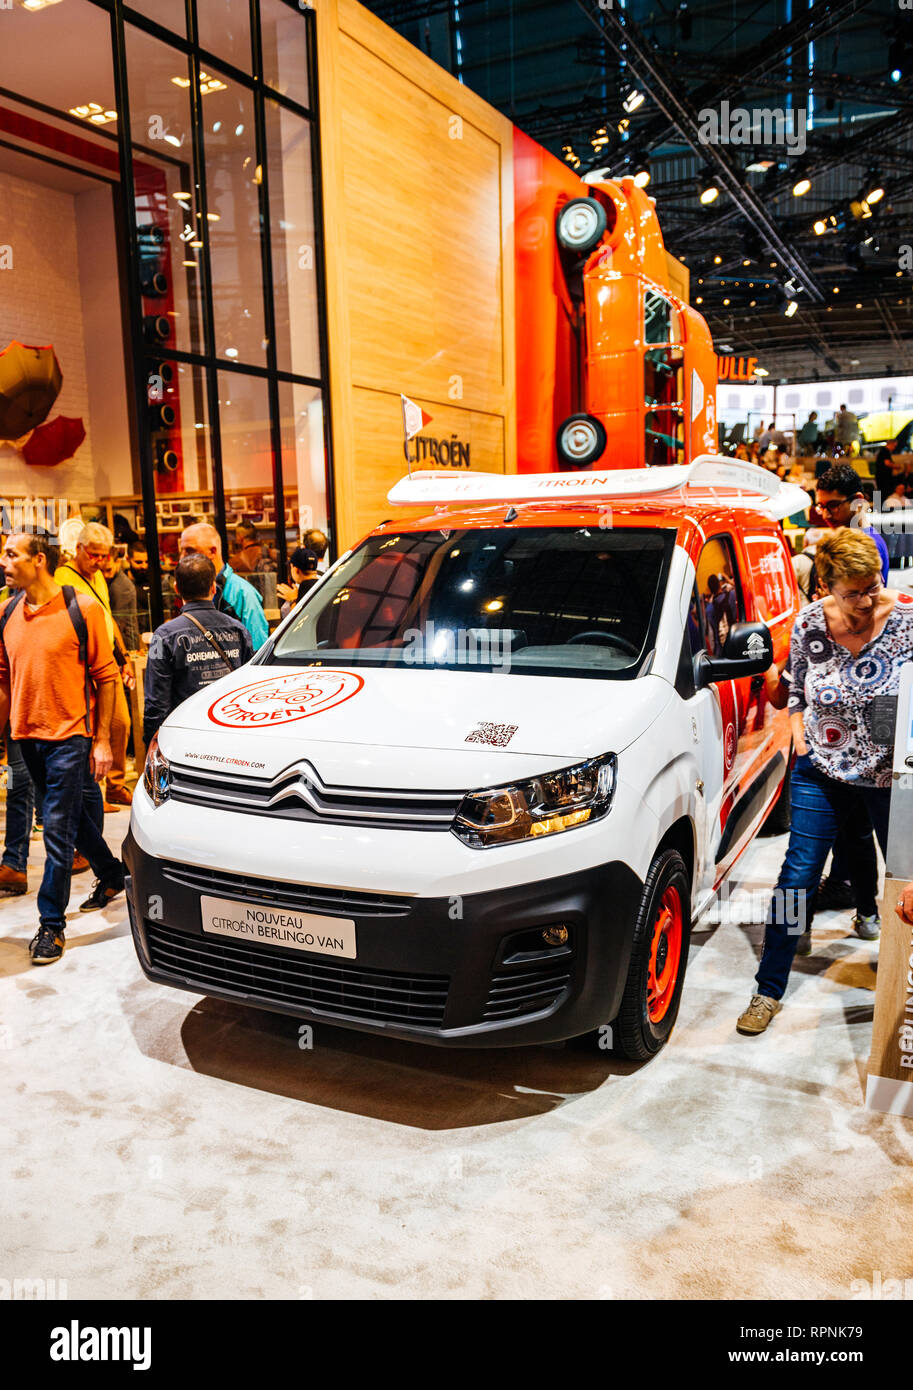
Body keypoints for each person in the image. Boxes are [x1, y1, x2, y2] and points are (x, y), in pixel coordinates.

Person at [737, 529, 913, 1035]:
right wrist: (796, 730)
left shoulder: (904, 617)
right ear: (826, 587)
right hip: (823, 770)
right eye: (852, 591)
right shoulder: (810, 622)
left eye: (872, 587)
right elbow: (795, 693)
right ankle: (767, 990)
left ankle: (901, 987)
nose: (865, 600)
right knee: (796, 878)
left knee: (903, 880)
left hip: (890, 775)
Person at [0, 533, 125, 966]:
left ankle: (50, 924)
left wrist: (103, 740)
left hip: (71, 737)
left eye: (11, 554)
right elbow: (3, 679)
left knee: (55, 828)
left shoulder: (81, 608)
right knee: (69, 818)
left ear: (38, 560)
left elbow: (107, 676)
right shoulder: (7, 612)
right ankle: (112, 873)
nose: (4, 561)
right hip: (25, 735)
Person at [54, 522, 135, 809]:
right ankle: (96, 793)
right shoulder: (64, 578)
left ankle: (115, 784)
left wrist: (123, 656)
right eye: (94, 555)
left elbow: (107, 615)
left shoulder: (98, 575)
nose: (99, 562)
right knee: (93, 730)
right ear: (79, 549)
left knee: (120, 723)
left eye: (104, 555)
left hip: (107, 659)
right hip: (84, 664)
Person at [143, 554, 253, 747]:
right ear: (213, 587)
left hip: (186, 739)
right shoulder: (239, 630)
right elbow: (249, 689)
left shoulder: (162, 635)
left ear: (176, 588)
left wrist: (152, 742)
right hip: (231, 735)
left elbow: (156, 702)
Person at [178, 522, 269, 650]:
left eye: (189, 551)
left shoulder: (242, 593)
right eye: (181, 551)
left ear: (212, 551)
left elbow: (258, 648)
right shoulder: (191, 586)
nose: (182, 557)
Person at [814, 463, 890, 583]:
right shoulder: (855, 540)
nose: (825, 515)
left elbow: (865, 600)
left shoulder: (867, 546)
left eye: (833, 505)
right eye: (821, 507)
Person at [101, 547, 140, 652]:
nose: (105, 575)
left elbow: (118, 624)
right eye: (101, 571)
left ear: (118, 563)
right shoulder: (112, 582)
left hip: (124, 646)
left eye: (108, 569)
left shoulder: (120, 587)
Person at [277, 548, 320, 618]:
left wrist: (293, 600)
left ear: (296, 569)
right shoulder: (323, 584)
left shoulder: (304, 587)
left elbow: (298, 621)